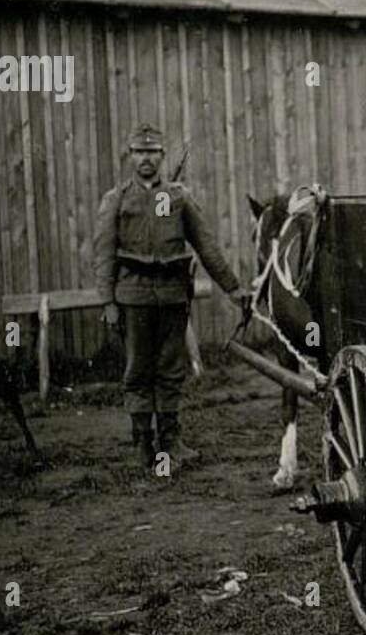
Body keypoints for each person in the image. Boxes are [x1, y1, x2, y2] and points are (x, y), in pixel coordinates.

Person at [93, 123, 249, 468]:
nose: (145, 159)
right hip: (132, 299)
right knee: (137, 371)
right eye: (139, 152)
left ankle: (170, 440)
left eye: (152, 152)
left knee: (170, 370)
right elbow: (103, 255)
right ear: (130, 157)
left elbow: (206, 245)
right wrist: (108, 303)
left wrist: (233, 287)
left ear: (162, 157)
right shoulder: (116, 199)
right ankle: (141, 443)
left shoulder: (179, 198)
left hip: (172, 297)